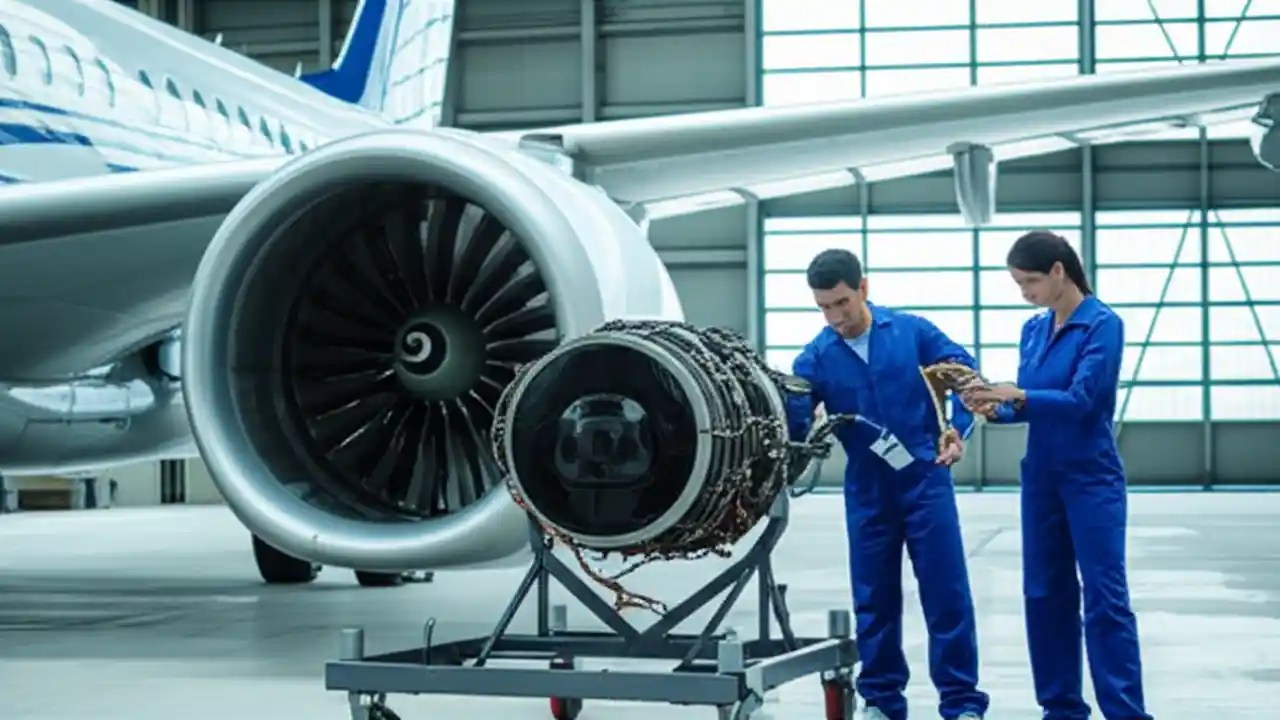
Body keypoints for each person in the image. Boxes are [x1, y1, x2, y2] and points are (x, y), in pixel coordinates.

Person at [784, 248, 989, 720]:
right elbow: (795, 420)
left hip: (925, 480)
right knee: (873, 598)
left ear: (863, 289)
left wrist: (959, 427)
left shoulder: (913, 333)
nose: (836, 317)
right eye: (824, 307)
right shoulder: (814, 358)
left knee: (946, 594)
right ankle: (881, 700)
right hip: (868, 490)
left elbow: (965, 375)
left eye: (842, 303)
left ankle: (961, 703)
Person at [961, 230, 1153, 720]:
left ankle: (1126, 712)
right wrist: (991, 406)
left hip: (1091, 477)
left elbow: (1082, 402)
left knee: (1105, 597)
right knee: (1045, 593)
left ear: (1059, 271)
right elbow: (1030, 404)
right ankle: (1061, 709)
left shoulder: (1101, 325)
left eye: (1029, 282)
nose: (1025, 292)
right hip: (1041, 477)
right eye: (1018, 283)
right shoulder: (1033, 329)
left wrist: (1015, 395)